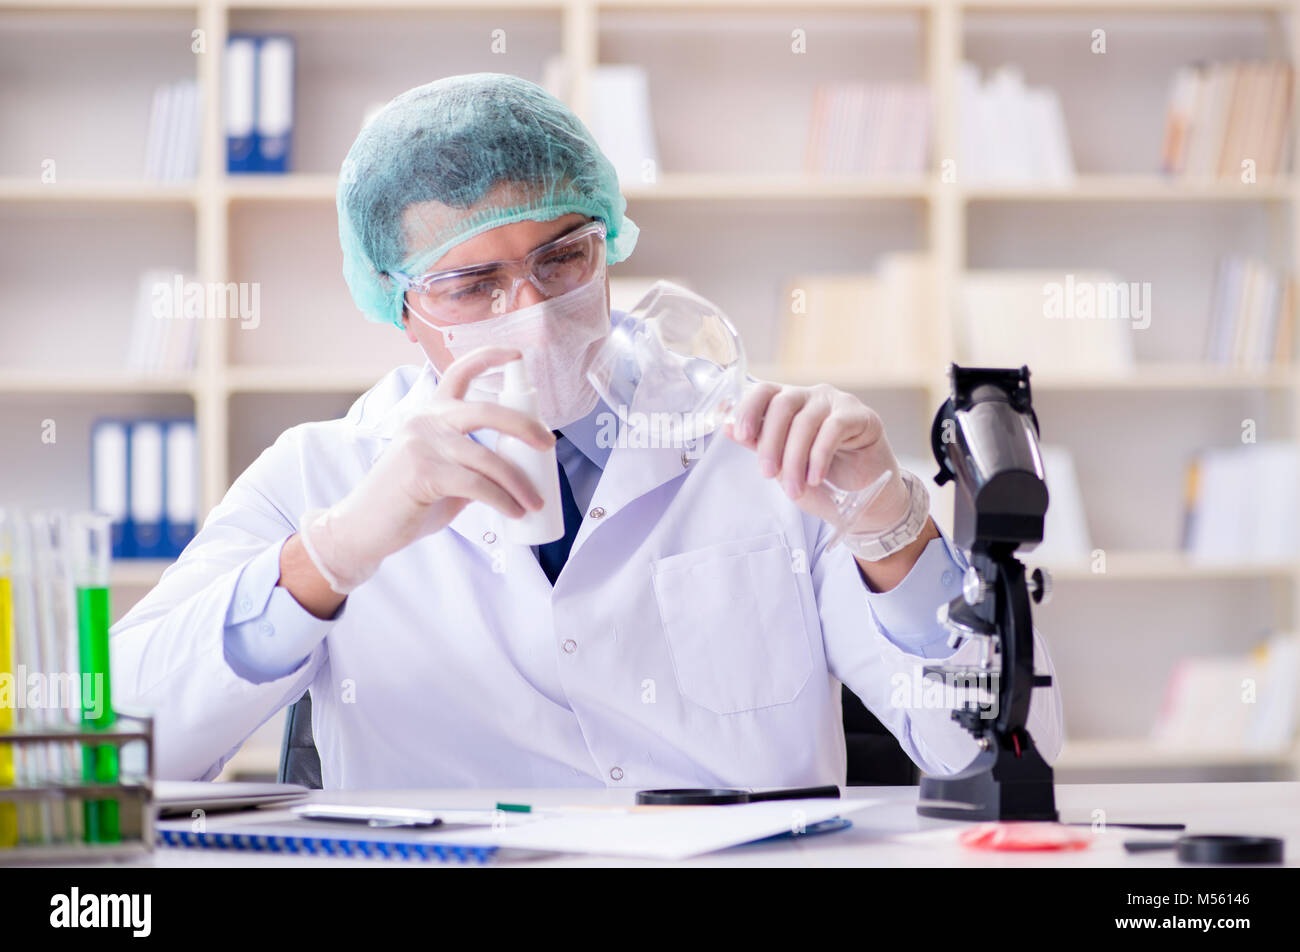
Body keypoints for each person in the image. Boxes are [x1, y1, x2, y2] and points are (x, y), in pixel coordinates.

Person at [110, 73, 1062, 787]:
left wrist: (886, 524)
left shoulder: (773, 441)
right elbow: (118, 750)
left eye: (561, 257)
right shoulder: (321, 476)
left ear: (609, 243)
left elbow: (1000, 752)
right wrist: (335, 554)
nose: (528, 310)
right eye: (472, 283)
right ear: (401, 309)